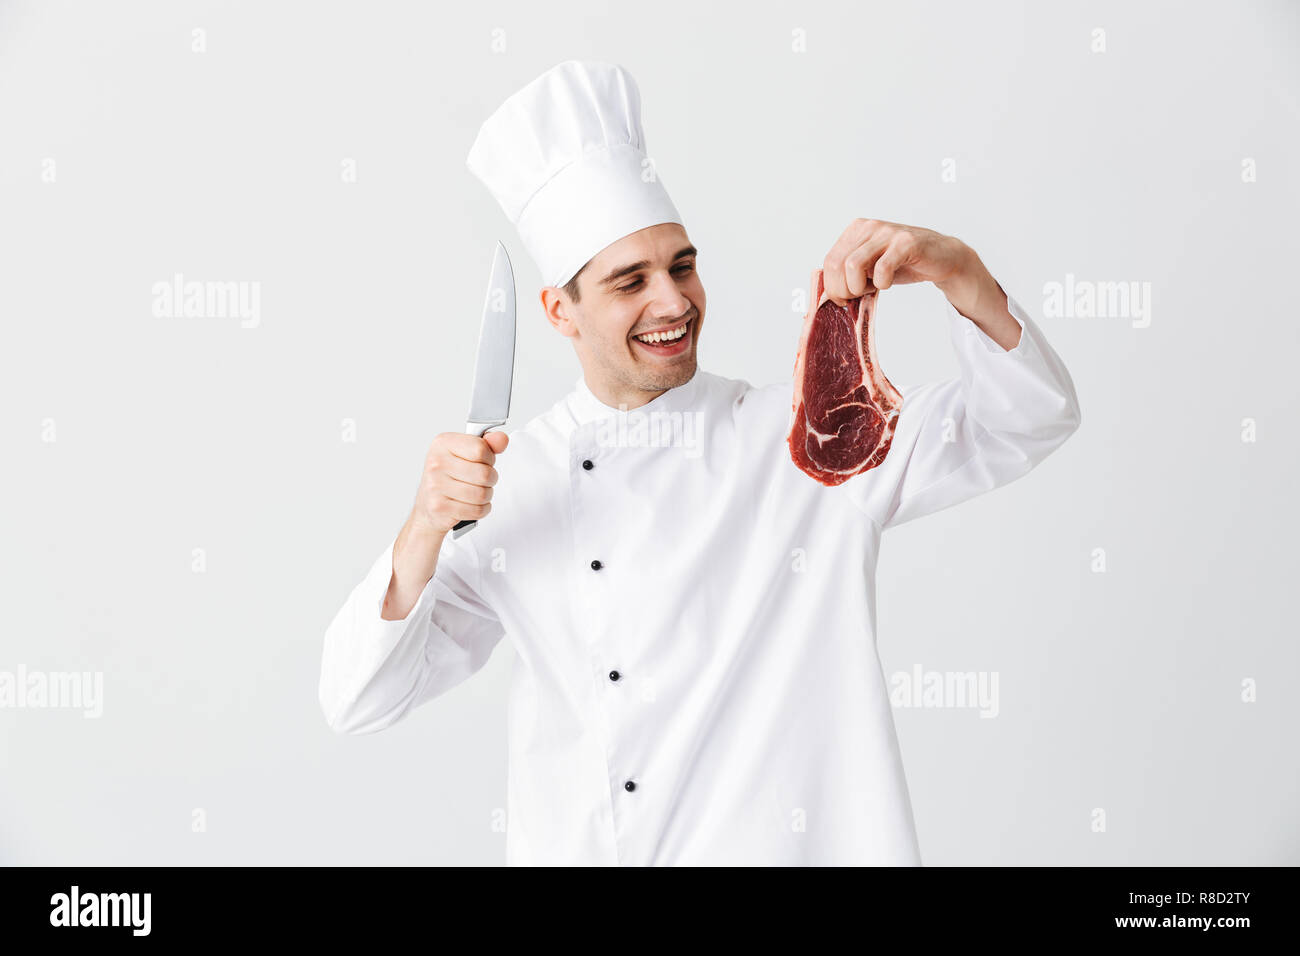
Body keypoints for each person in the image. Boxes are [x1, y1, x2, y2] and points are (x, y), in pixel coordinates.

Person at [318, 60, 1081, 866]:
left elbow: (1029, 416)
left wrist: (960, 273)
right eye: (630, 282)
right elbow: (358, 702)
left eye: (682, 266)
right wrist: (422, 532)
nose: (675, 302)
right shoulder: (514, 480)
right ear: (558, 312)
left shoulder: (806, 441)